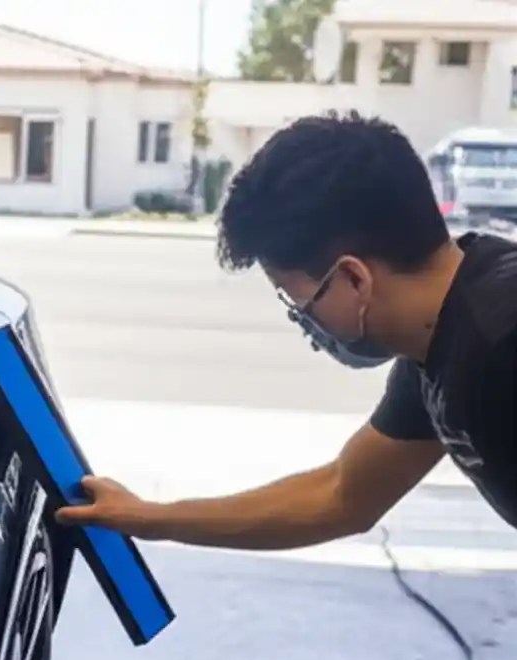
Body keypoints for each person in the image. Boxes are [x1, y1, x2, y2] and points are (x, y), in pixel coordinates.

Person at [55, 110, 517, 547]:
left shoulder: (501, 346)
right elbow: (341, 496)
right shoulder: (439, 341)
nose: (306, 324)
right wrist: (149, 517)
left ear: (353, 278)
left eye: (300, 302)